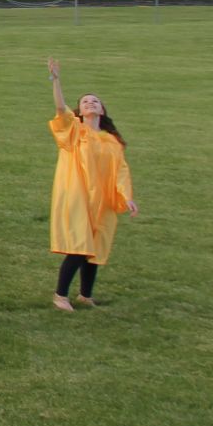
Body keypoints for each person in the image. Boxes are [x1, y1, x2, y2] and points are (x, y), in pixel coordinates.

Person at [47, 58, 138, 311]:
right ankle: (60, 295)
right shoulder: (74, 131)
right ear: (80, 110)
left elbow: (121, 170)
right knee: (79, 244)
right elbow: (59, 110)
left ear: (102, 110)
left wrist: (126, 196)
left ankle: (85, 295)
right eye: (85, 101)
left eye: (95, 101)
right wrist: (56, 80)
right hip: (78, 194)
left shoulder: (111, 140)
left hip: (103, 199)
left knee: (96, 247)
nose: (90, 103)